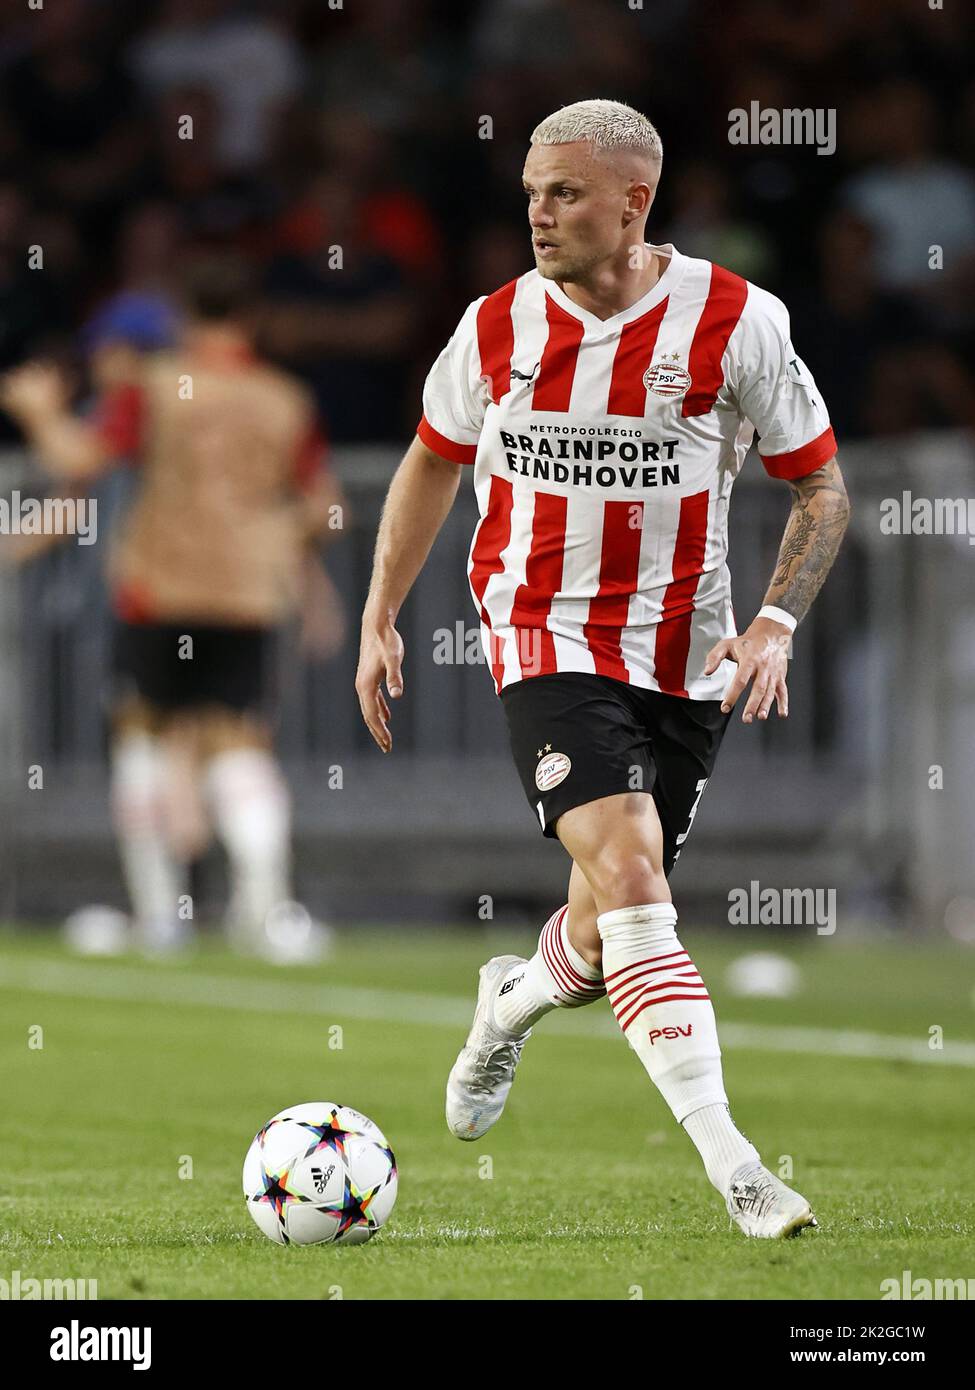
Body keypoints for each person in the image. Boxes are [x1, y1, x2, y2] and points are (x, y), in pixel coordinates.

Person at [356, 100, 849, 1238]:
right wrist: (383, 610)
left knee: (603, 919)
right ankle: (738, 1167)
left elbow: (819, 485)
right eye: (531, 189)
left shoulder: (736, 320)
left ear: (636, 202)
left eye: (566, 192)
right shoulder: (491, 330)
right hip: (540, 635)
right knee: (633, 877)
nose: (539, 211)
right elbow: (432, 462)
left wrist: (773, 621)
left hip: (685, 653)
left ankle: (508, 1004)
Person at [1, 258, 344, 959]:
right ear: (250, 319)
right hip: (246, 595)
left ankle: (161, 918)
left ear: (185, 318)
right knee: (241, 744)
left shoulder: (155, 389)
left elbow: (82, 458)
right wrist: (277, 542)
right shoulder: (283, 398)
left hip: (158, 590)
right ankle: (268, 914)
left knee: (143, 738)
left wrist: (38, 414)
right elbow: (326, 508)